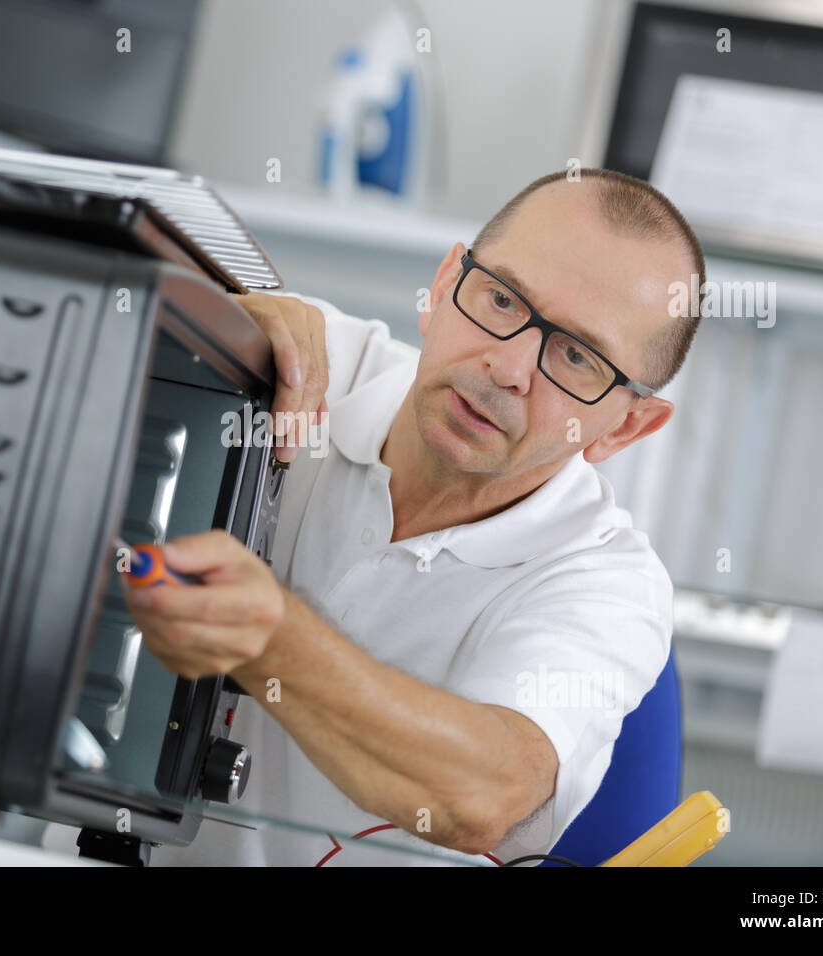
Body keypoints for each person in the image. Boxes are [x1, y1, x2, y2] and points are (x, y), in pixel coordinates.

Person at [138, 168, 706, 866]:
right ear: (443, 287)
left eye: (576, 356)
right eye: (501, 298)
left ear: (625, 428)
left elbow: (483, 796)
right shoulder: (293, 367)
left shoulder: (608, 586)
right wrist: (192, 339)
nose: (507, 367)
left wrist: (270, 638)